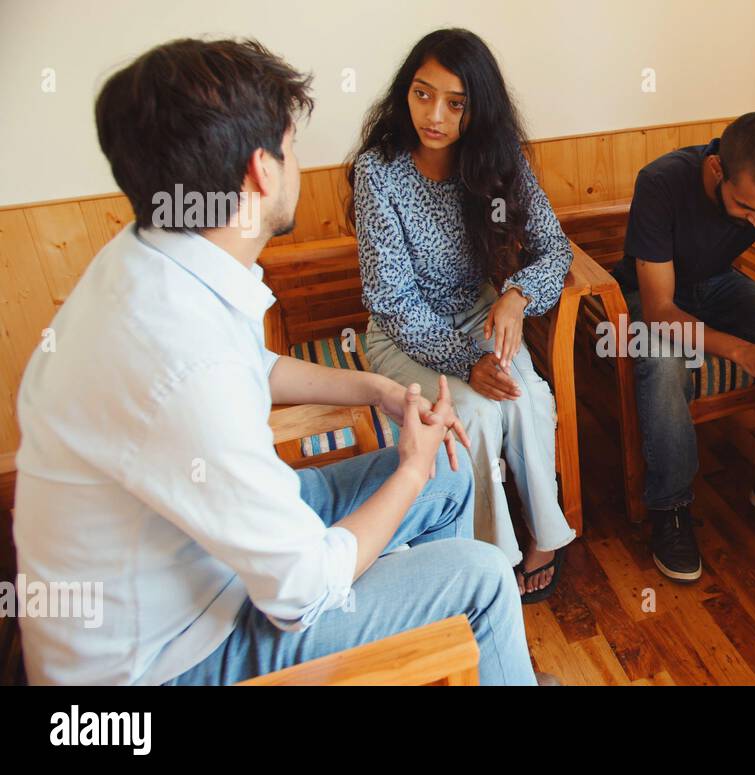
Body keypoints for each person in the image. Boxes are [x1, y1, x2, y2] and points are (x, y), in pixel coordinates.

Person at [13, 38, 535, 685]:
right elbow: (301, 590)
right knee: (482, 577)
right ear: (262, 170)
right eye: (291, 144)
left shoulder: (155, 252)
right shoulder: (182, 364)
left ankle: (427, 661)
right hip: (174, 653)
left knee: (451, 473)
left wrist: (378, 390)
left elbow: (254, 366)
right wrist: (409, 466)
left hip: (209, 554)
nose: (298, 161)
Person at [349, 29, 576, 603]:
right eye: (423, 95)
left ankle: (547, 539)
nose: (435, 115)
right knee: (472, 412)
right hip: (406, 335)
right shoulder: (379, 172)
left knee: (529, 398)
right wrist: (465, 361)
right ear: (406, 93)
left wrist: (518, 294)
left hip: (481, 315)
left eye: (456, 103)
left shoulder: (501, 163)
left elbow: (555, 248)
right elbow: (393, 302)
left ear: (479, 110)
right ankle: (489, 559)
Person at [618, 111, 755, 583]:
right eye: (748, 206)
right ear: (717, 170)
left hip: (719, 285)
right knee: (662, 359)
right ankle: (670, 506)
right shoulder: (661, 182)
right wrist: (744, 351)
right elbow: (659, 311)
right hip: (650, 295)